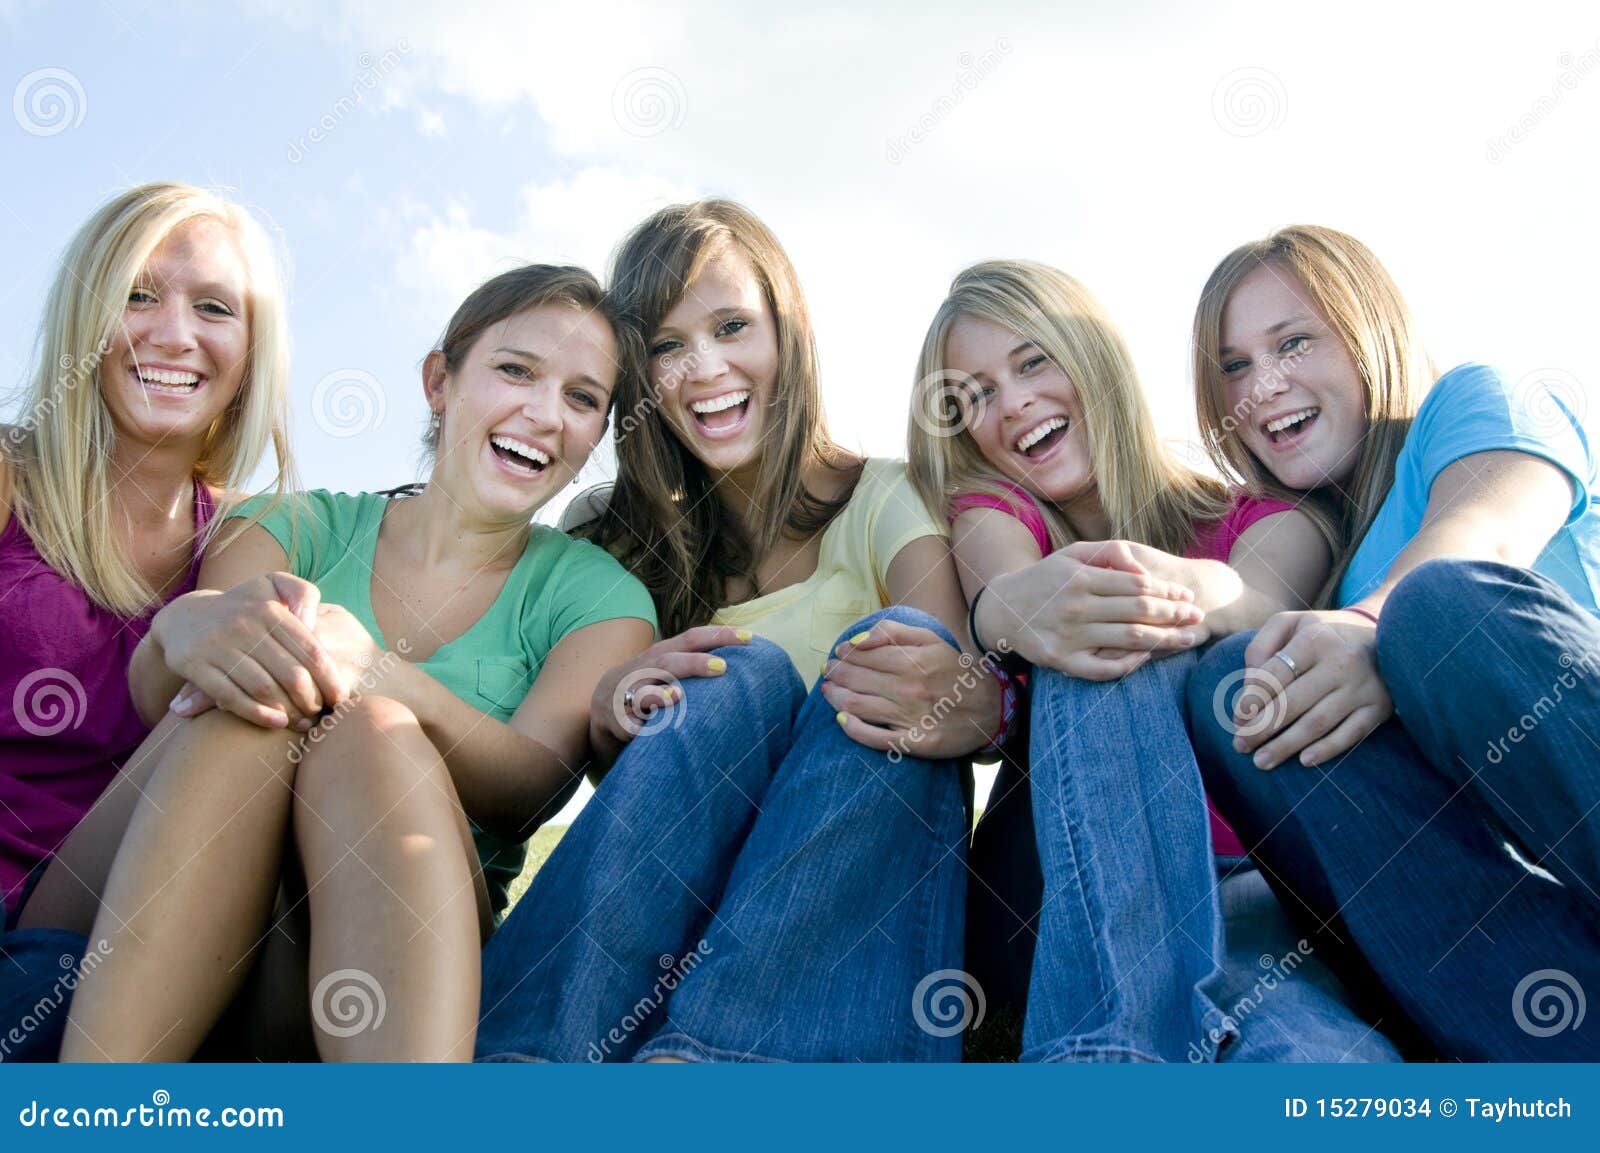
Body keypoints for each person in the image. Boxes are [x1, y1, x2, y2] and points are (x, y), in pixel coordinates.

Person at [50, 264, 656, 1061]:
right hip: (137, 912)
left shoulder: (601, 598)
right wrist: (185, 628)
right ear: (440, 381)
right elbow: (179, 700)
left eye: (584, 398)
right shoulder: (286, 523)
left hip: (369, 958)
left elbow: (532, 789)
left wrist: (380, 676)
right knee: (260, 696)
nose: (544, 414)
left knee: (361, 722)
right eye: (515, 370)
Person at [475, 200, 1003, 1062]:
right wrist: (612, 703)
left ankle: (723, 1065)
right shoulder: (607, 527)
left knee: (885, 651)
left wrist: (968, 697)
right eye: (667, 345)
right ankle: (525, 1062)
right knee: (734, 682)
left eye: (731, 327)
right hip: (658, 927)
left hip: (831, 941)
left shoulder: (882, 495)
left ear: (787, 334)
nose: (705, 367)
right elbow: (574, 737)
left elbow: (944, 683)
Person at [909, 259, 1394, 1062]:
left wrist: (1184, 585)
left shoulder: (1265, 517)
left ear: (1094, 360)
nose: (1014, 402)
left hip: (1248, 884)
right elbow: (1003, 589)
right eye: (975, 394)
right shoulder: (993, 513)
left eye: (1033, 362)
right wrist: (1016, 610)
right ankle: (1114, 1051)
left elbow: (1259, 597)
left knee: (1324, 1060)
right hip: (1061, 894)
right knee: (1095, 627)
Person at [1185, 224, 1600, 1060]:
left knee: (1436, 608)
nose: (1264, 385)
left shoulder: (1474, 402)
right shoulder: (1319, 553)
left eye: (1294, 341)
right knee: (1232, 682)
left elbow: (1485, 527)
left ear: (1369, 333)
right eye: (1234, 366)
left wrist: (1371, 630)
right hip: (1527, 954)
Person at [0, 182, 294, 1061]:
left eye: (213, 307)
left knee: (265, 701)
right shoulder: (11, 478)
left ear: (250, 348)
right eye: (137, 294)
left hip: (152, 935)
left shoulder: (251, 533)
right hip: (20, 926)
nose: (174, 333)